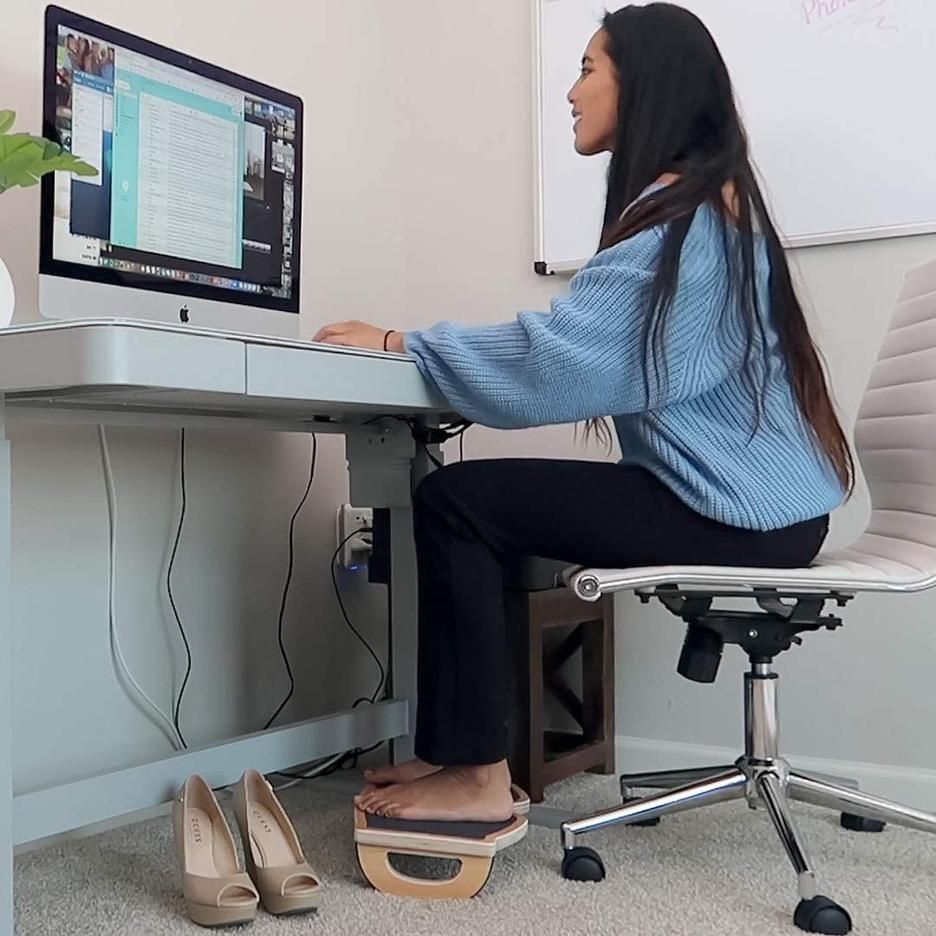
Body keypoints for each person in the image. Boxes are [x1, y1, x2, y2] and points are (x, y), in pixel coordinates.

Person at [312, 2, 852, 823]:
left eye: (588, 68)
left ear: (643, 88)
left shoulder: (690, 225)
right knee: (472, 502)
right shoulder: (709, 207)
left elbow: (557, 368)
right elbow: (576, 354)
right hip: (769, 509)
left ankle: (479, 777)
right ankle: (459, 750)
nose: (571, 90)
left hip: (744, 514)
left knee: (457, 503)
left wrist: (402, 340)